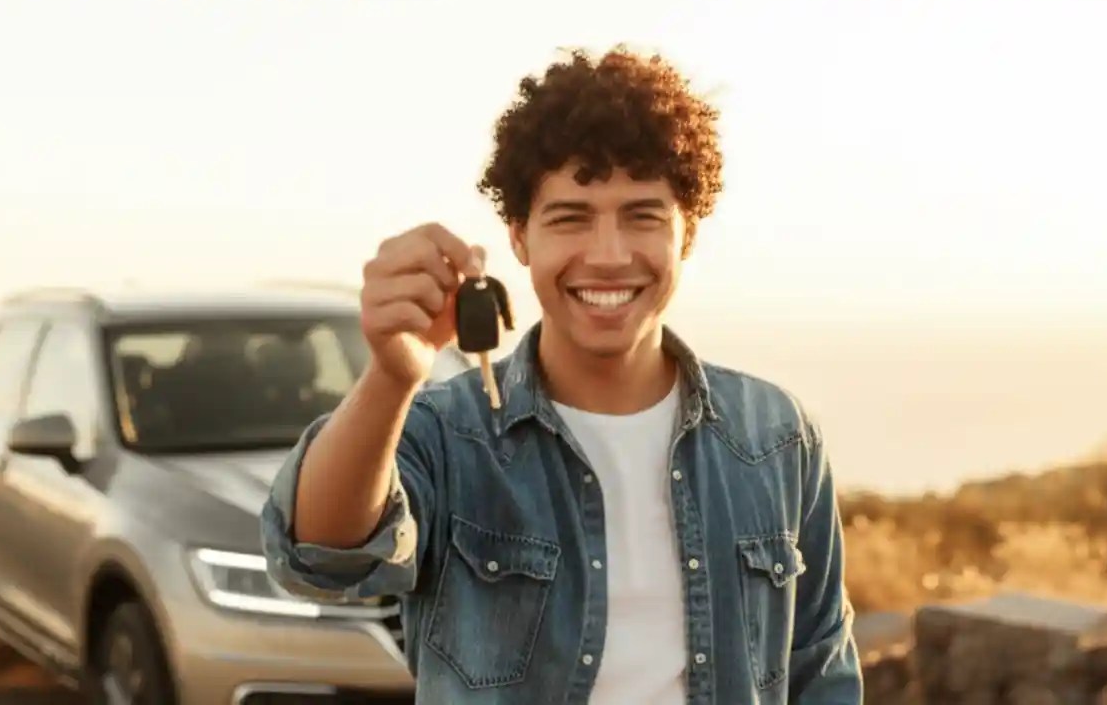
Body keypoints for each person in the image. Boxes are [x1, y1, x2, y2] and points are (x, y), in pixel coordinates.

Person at [260, 45, 863, 704]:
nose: (607, 256)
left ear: (686, 234)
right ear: (518, 236)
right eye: (570, 218)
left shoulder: (777, 436)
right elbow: (319, 560)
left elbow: (821, 673)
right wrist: (391, 376)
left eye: (643, 216)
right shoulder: (448, 432)